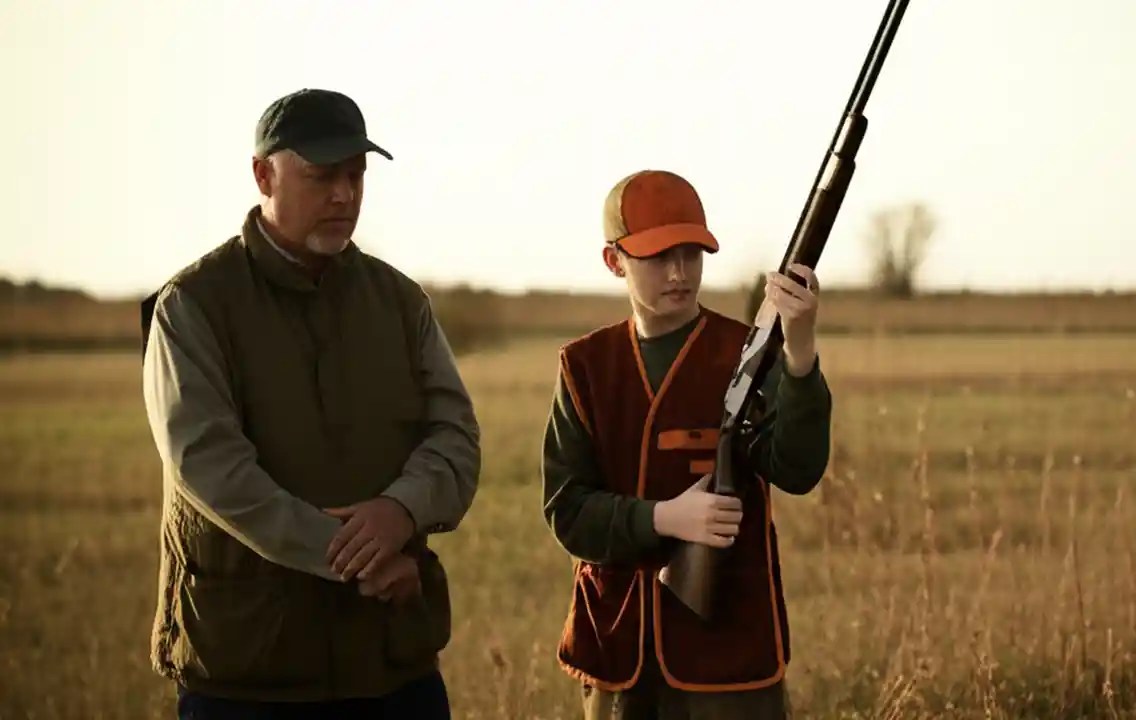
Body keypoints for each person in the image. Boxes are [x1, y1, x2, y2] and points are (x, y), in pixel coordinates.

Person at [140, 88, 481, 719]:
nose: (344, 195)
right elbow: (212, 469)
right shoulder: (192, 307)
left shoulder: (400, 303)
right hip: (248, 675)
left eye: (356, 176)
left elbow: (455, 438)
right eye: (322, 175)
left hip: (393, 667)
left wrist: (401, 513)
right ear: (262, 174)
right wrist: (355, 556)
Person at [540, 169, 833, 719]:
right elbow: (567, 512)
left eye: (691, 255)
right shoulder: (583, 366)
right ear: (615, 261)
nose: (678, 273)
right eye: (657, 257)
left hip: (730, 655)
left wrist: (800, 353)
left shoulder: (744, 352)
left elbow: (798, 469)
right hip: (619, 653)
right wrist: (664, 519)